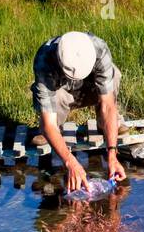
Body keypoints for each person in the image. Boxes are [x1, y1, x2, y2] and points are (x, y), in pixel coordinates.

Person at [31, 31, 127, 192]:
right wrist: (71, 162)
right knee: (50, 123)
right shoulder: (44, 60)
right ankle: (52, 133)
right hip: (61, 94)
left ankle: (105, 123)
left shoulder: (99, 49)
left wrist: (112, 152)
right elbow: (49, 123)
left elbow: (108, 105)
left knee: (114, 74)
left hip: (89, 89)